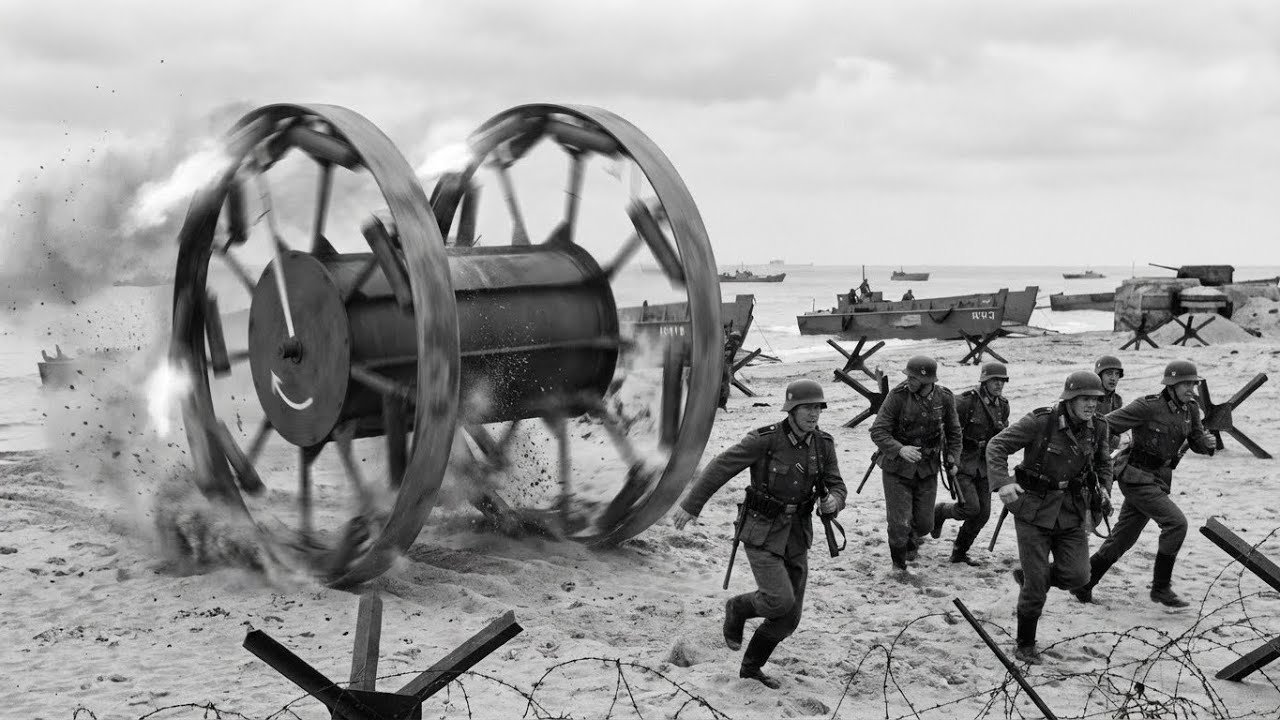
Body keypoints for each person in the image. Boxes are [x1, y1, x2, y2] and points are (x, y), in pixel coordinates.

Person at [671, 379, 846, 689]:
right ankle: (738, 608)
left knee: (789, 619)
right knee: (779, 600)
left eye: (818, 407)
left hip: (797, 534)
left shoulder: (823, 444)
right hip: (762, 530)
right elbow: (721, 465)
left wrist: (834, 500)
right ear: (791, 409)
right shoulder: (765, 440)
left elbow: (836, 484)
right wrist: (692, 505)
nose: (814, 414)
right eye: (807, 408)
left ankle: (751, 669)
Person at [986, 371, 1113, 663]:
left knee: (1079, 575)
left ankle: (1032, 578)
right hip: (1033, 509)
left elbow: (1104, 463)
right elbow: (997, 446)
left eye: (1095, 400)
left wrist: (1104, 492)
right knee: (1037, 583)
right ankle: (1025, 644)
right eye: (1084, 399)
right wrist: (1003, 482)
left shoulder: (1100, 427)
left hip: (1072, 510)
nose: (1091, 405)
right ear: (1069, 399)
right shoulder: (1041, 421)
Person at [1072, 360, 1216, 608]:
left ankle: (1084, 583)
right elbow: (1103, 425)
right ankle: (1160, 588)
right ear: (1170, 385)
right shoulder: (1147, 406)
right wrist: (1093, 454)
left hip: (1159, 479)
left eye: (1193, 383)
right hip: (1136, 477)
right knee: (1176, 523)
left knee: (1122, 539)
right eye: (1185, 384)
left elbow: (1196, 440)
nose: (1190, 389)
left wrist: (1206, 443)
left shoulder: (1190, 409)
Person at [869, 355, 961, 575]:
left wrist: (954, 459)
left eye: (913, 377)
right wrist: (900, 448)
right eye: (907, 375)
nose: (908, 380)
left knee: (924, 524)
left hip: (928, 468)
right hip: (897, 469)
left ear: (928, 380)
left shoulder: (945, 397)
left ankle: (912, 538)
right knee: (899, 522)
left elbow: (954, 432)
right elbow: (878, 431)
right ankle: (898, 565)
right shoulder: (897, 396)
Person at [931, 362, 1010, 566]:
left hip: (984, 466)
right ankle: (939, 512)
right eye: (994, 380)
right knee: (970, 508)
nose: (999, 385)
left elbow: (1002, 440)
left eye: (1002, 381)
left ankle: (959, 552)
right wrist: (949, 460)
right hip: (963, 462)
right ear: (984, 381)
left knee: (982, 515)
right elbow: (947, 430)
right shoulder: (966, 402)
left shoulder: (1003, 406)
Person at [1095, 355, 1125, 450]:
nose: (1113, 378)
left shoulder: (1117, 400)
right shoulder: (1090, 398)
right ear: (1099, 376)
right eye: (1109, 374)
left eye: (1117, 374)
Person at [719, 330, 744, 410]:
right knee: (725, 383)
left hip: (725, 365)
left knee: (724, 383)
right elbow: (726, 356)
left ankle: (723, 401)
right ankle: (722, 403)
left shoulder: (729, 345)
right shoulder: (731, 345)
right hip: (725, 365)